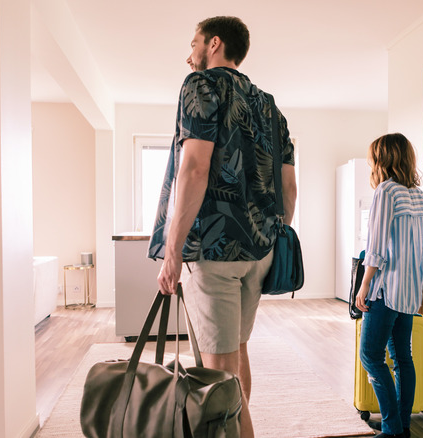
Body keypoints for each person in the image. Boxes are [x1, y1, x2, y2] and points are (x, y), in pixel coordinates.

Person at [148, 16, 296, 438]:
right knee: (236, 352)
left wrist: (173, 248)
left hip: (213, 249)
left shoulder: (201, 86)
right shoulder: (271, 106)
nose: (189, 54)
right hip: (259, 252)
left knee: (217, 371)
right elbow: (289, 187)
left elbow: (194, 168)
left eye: (193, 43)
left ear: (213, 44)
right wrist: (271, 236)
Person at [355, 133, 423, 438]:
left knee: (371, 356)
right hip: (408, 293)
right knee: (402, 359)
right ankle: (401, 427)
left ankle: (392, 428)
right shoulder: (418, 195)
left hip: (384, 290)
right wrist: (417, 221)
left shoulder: (386, 191)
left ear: (382, 160)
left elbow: (376, 247)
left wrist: (364, 285)